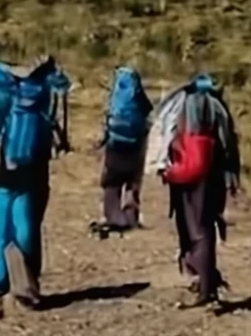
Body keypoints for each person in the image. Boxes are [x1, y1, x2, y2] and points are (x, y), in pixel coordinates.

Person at [0, 55, 70, 320]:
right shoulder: (41, 92)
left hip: (1, 175)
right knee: (25, 229)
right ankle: (26, 286)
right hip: (31, 173)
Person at [157, 74, 240, 308]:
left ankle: (201, 282)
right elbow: (229, 147)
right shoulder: (218, 109)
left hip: (182, 174)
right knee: (205, 228)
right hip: (211, 176)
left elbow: (166, 135)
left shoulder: (181, 105)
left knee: (189, 226)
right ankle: (206, 280)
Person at [93, 66, 153, 237]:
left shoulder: (115, 95)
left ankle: (113, 217)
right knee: (132, 182)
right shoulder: (138, 95)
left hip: (115, 145)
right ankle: (130, 217)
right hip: (136, 145)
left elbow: (107, 117)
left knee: (111, 183)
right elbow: (148, 111)